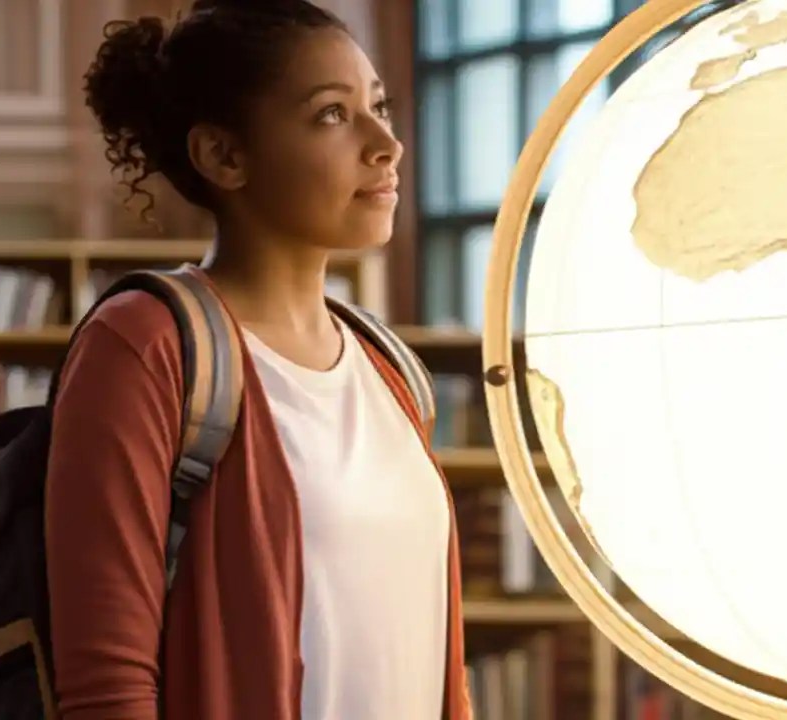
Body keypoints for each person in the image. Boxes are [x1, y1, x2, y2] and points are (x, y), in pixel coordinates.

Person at [44, 1, 470, 718]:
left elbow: (439, 668)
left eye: (379, 106)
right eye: (332, 114)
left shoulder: (388, 366)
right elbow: (106, 688)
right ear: (224, 155)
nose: (386, 144)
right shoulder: (146, 348)